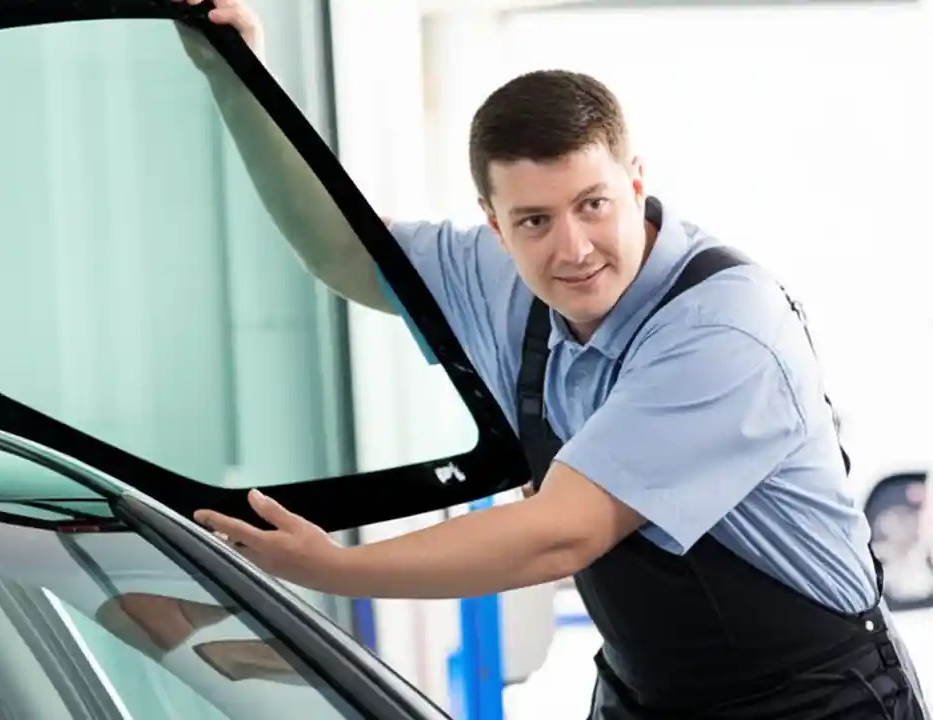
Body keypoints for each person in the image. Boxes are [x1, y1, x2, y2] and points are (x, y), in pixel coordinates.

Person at [178, 1, 928, 717]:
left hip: (815, 698)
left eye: (593, 204)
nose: (572, 249)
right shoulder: (502, 280)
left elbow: (563, 530)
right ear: (495, 224)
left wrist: (334, 570)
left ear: (636, 181)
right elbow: (343, 250)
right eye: (534, 219)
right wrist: (234, 77)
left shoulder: (723, 328)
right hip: (647, 693)